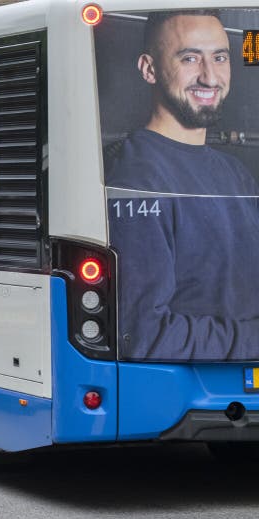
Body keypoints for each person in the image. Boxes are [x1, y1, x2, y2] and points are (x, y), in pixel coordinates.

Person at [105, 10, 259, 361]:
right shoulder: (136, 179)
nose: (209, 77)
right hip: (192, 404)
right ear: (149, 69)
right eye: (189, 58)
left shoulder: (236, 176)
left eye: (219, 57)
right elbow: (147, 335)